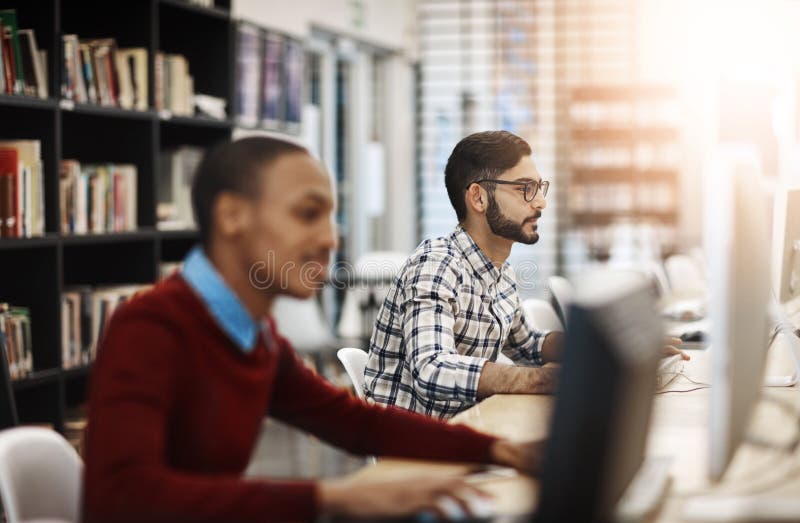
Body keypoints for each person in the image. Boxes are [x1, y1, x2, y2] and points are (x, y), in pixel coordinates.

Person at [82, 137, 545, 523]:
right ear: (231, 217)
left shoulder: (254, 338)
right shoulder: (152, 328)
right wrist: (337, 498)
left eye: (330, 217)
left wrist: (501, 452)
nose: (330, 239)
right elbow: (124, 499)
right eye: (308, 214)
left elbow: (356, 423)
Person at [364, 131, 687, 419]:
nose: (542, 202)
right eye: (525, 189)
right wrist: (556, 380)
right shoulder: (436, 266)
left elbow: (528, 344)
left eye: (540, 188)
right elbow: (433, 370)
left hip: (470, 428)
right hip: (417, 448)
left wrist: (614, 348)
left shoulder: (500, 271)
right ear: (478, 197)